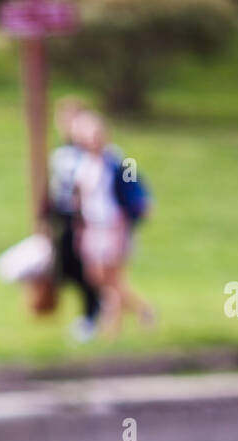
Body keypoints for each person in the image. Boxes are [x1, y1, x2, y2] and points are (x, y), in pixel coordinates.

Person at [69, 110, 155, 339]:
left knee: (113, 278)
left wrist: (127, 222)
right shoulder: (84, 162)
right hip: (93, 226)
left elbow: (135, 193)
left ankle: (112, 331)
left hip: (114, 225)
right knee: (96, 277)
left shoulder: (119, 162)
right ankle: (143, 309)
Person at [41, 97, 101, 341]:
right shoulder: (62, 153)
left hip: (87, 220)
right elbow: (57, 187)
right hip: (64, 217)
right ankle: (95, 310)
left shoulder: (95, 156)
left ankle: (94, 313)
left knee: (88, 269)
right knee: (65, 266)